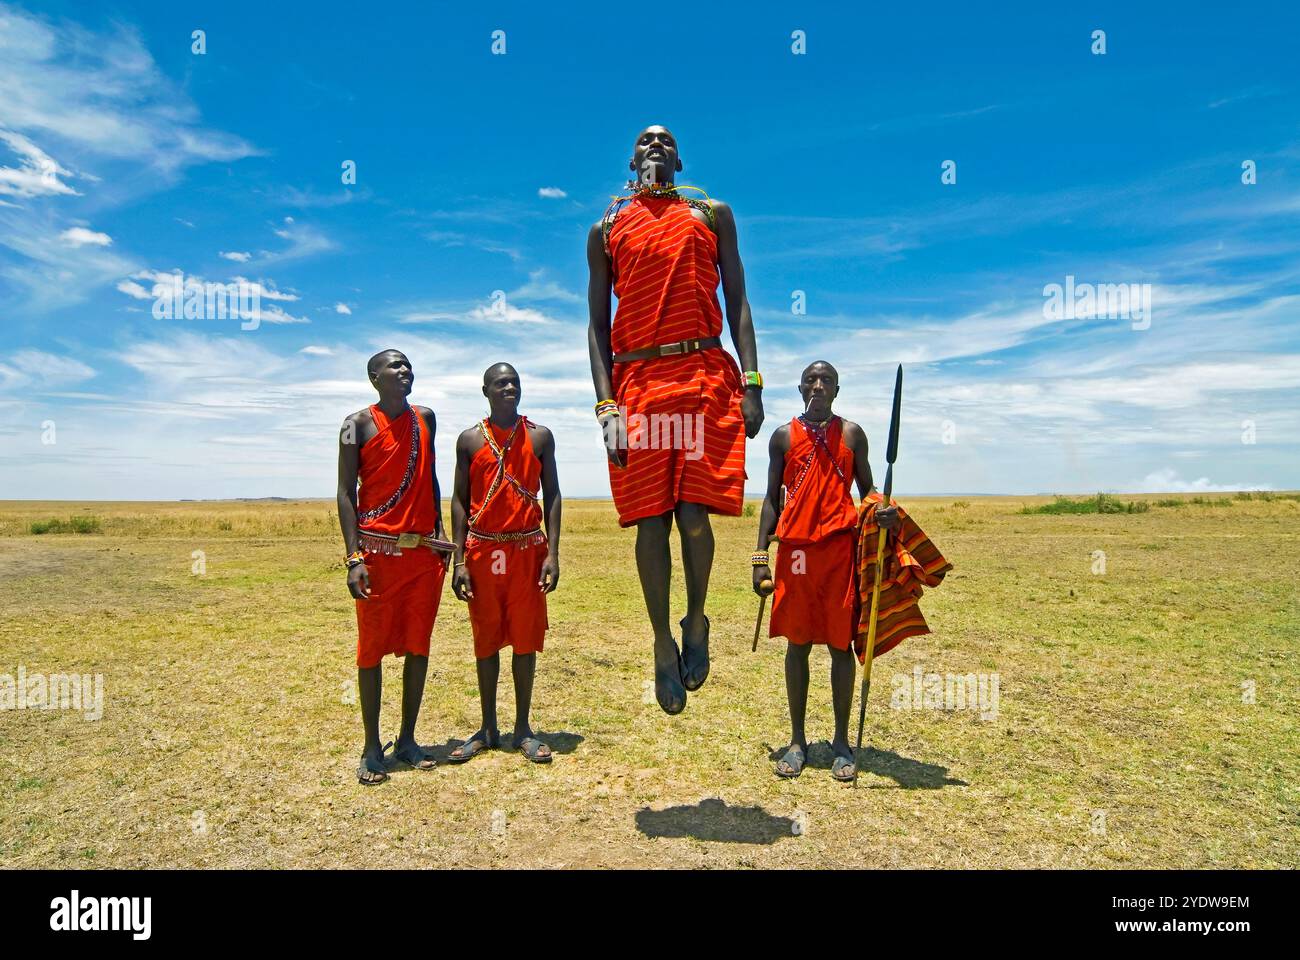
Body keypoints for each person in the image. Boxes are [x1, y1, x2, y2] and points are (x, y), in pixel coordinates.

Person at [586, 124, 764, 714]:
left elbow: (738, 298)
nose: (655, 145)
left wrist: (753, 380)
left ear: (680, 158)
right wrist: (606, 405)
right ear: (631, 158)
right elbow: (595, 325)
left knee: (694, 516)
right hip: (637, 384)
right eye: (643, 141)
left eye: (665, 140)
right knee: (650, 522)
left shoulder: (711, 213)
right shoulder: (607, 227)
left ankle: (695, 619)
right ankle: (662, 643)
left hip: (704, 375)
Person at [752, 361, 899, 782]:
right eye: (811, 380)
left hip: (839, 551)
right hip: (795, 554)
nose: (818, 386)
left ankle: (839, 742)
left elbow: (867, 491)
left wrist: (883, 509)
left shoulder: (852, 435)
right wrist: (760, 557)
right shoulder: (783, 437)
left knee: (839, 646)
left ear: (837, 389)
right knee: (796, 645)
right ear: (800, 388)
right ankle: (797, 742)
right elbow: (770, 500)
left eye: (827, 381)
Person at [337, 350, 448, 785]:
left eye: (408, 365)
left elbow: (431, 477)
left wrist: (439, 532)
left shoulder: (426, 418)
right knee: (372, 650)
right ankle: (370, 746)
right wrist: (353, 558)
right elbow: (346, 493)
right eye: (394, 365)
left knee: (418, 646)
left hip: (422, 554)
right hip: (377, 556)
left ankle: (407, 739)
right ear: (374, 376)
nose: (405, 370)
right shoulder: (356, 424)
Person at [448, 363, 562, 764]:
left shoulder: (540, 436)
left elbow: (553, 497)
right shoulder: (467, 440)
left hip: (528, 551)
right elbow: (459, 500)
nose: (509, 387)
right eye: (501, 383)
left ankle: (523, 729)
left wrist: (553, 553)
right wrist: (457, 560)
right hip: (482, 552)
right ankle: (488, 727)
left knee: (525, 640)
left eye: (514, 382)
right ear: (485, 391)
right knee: (486, 639)